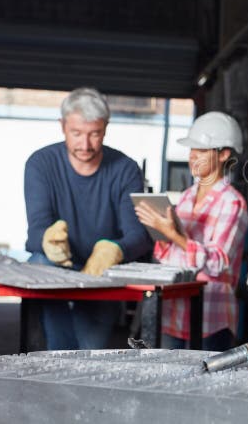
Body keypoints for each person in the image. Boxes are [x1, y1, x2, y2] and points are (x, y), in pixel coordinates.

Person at [25, 87, 152, 350]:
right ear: (62, 126)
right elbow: (35, 231)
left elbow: (139, 236)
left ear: (105, 128)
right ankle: (57, 355)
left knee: (89, 356)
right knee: (40, 262)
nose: (85, 145)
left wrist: (116, 249)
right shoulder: (40, 164)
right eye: (76, 133)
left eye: (94, 134)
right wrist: (48, 241)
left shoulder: (126, 169)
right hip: (56, 269)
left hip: (102, 273)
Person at [135, 112, 248, 351]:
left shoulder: (232, 203)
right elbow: (170, 257)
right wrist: (160, 233)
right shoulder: (186, 197)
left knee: (207, 375)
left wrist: (174, 235)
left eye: (201, 150)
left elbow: (218, 263)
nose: (192, 156)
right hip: (174, 311)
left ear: (224, 154)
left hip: (211, 317)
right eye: (191, 149)